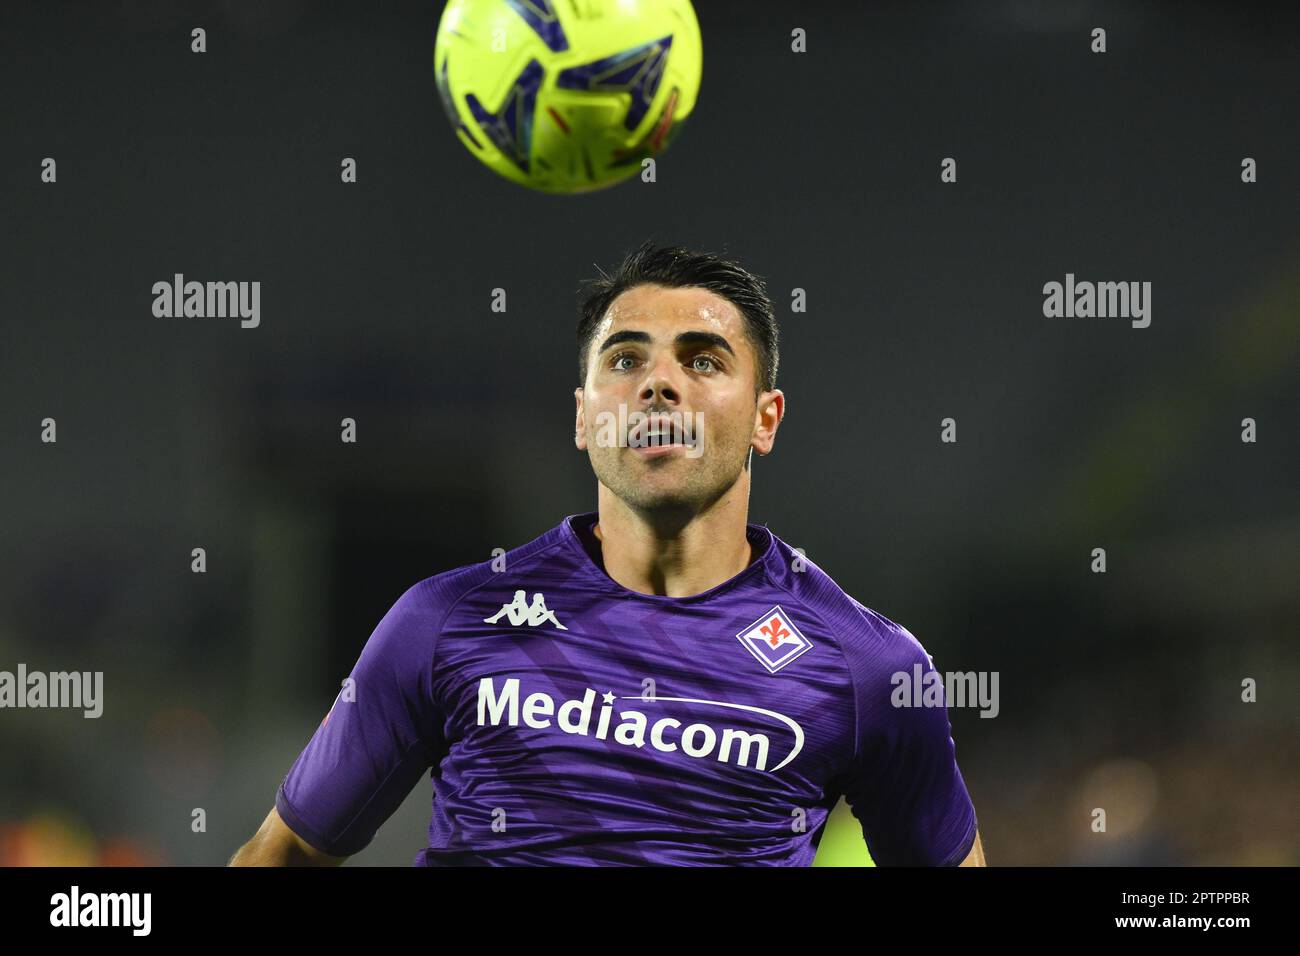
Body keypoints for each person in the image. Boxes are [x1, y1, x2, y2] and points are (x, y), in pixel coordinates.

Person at [230, 241, 985, 866]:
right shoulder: (445, 621)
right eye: (626, 360)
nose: (659, 383)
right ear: (586, 419)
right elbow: (284, 854)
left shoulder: (868, 668)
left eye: (703, 360)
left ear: (766, 419)